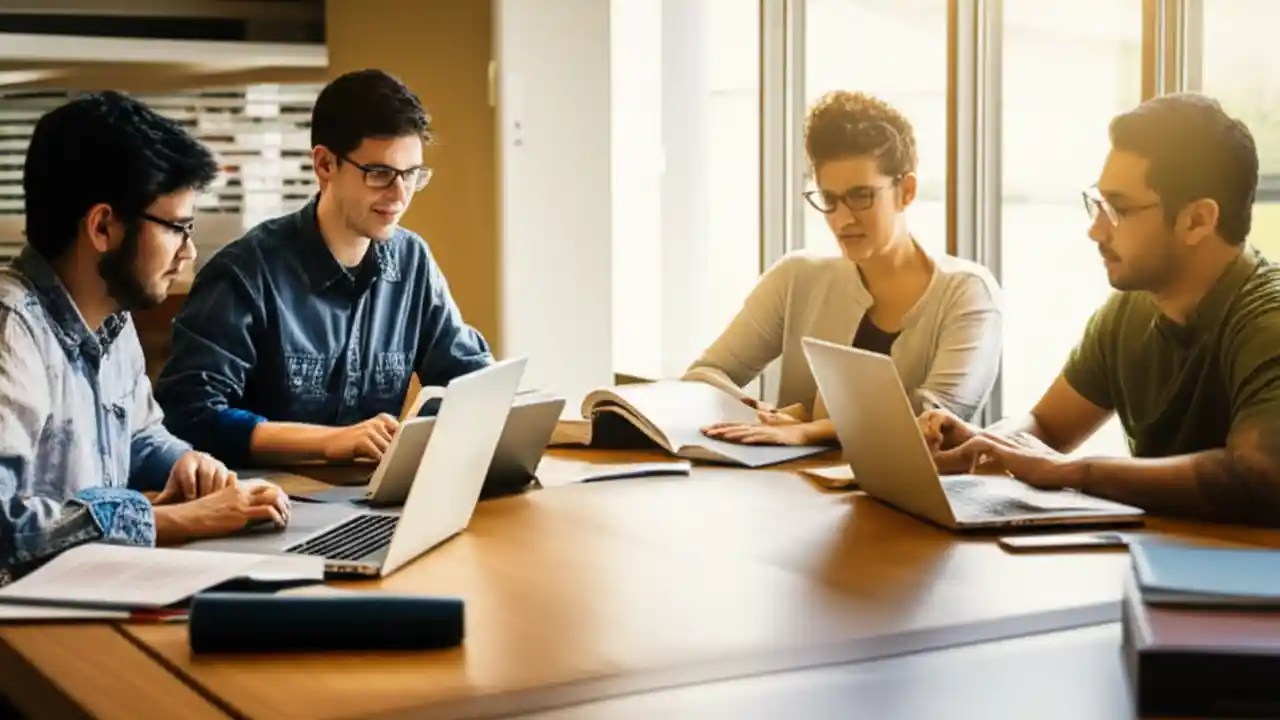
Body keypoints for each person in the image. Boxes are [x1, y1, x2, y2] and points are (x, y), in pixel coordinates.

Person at [920, 93, 1280, 526]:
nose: (1095, 230)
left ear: (1198, 221)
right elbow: (1047, 426)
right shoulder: (1130, 308)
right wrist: (980, 443)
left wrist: (1075, 471)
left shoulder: (1267, 318)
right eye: (1097, 204)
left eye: (1118, 209)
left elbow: (1257, 473)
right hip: (1163, 564)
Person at [0, 92, 290, 577]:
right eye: (177, 227)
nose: (190, 251)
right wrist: (177, 519)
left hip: (99, 586)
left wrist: (186, 464)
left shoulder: (112, 315)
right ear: (103, 227)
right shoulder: (12, 330)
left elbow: (137, 436)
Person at [155, 69, 492, 467]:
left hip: (372, 498)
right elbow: (190, 414)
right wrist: (326, 442)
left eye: (411, 175)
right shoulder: (245, 272)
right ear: (325, 164)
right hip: (268, 505)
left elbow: (470, 382)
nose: (400, 195)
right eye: (380, 174)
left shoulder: (412, 262)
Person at [691, 90, 1002, 446]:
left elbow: (937, 423)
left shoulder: (968, 294)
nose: (843, 219)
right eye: (829, 199)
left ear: (908, 191)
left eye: (861, 196)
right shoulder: (796, 277)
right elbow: (704, 374)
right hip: (791, 492)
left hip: (907, 499)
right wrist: (758, 412)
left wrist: (807, 425)